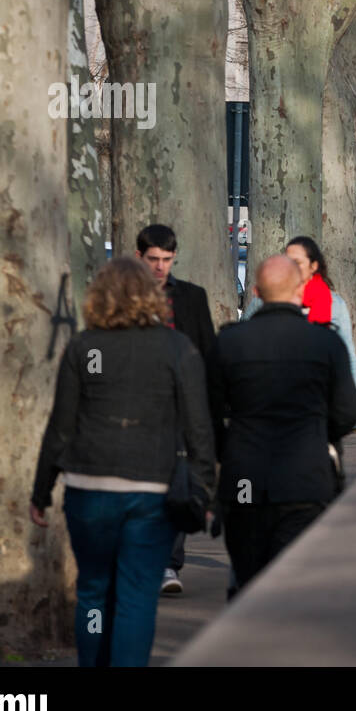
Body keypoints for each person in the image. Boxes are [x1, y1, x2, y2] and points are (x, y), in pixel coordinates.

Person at [30, 257, 215, 667]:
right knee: (136, 596)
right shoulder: (177, 348)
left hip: (89, 489)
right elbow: (199, 427)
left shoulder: (83, 347)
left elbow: (60, 427)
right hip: (151, 492)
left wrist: (41, 491)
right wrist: (204, 489)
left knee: (94, 592)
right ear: (152, 297)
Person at [207, 255, 356, 592]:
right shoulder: (325, 342)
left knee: (248, 576)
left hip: (244, 480)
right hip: (304, 479)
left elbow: (208, 412)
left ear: (258, 292)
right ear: (300, 290)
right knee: (294, 584)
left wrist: (227, 448)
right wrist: (319, 434)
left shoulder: (229, 342)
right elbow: (348, 410)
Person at [135, 223, 217, 596]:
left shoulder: (191, 297)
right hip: (134, 407)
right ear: (140, 257)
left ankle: (169, 563)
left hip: (181, 406)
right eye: (153, 259)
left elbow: (207, 353)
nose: (160, 267)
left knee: (177, 482)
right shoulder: (122, 297)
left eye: (167, 259)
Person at [282, 236, 356, 446]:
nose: (290, 268)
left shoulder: (333, 304)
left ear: (314, 266)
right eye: (286, 262)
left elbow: (349, 357)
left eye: (297, 263)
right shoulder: (266, 300)